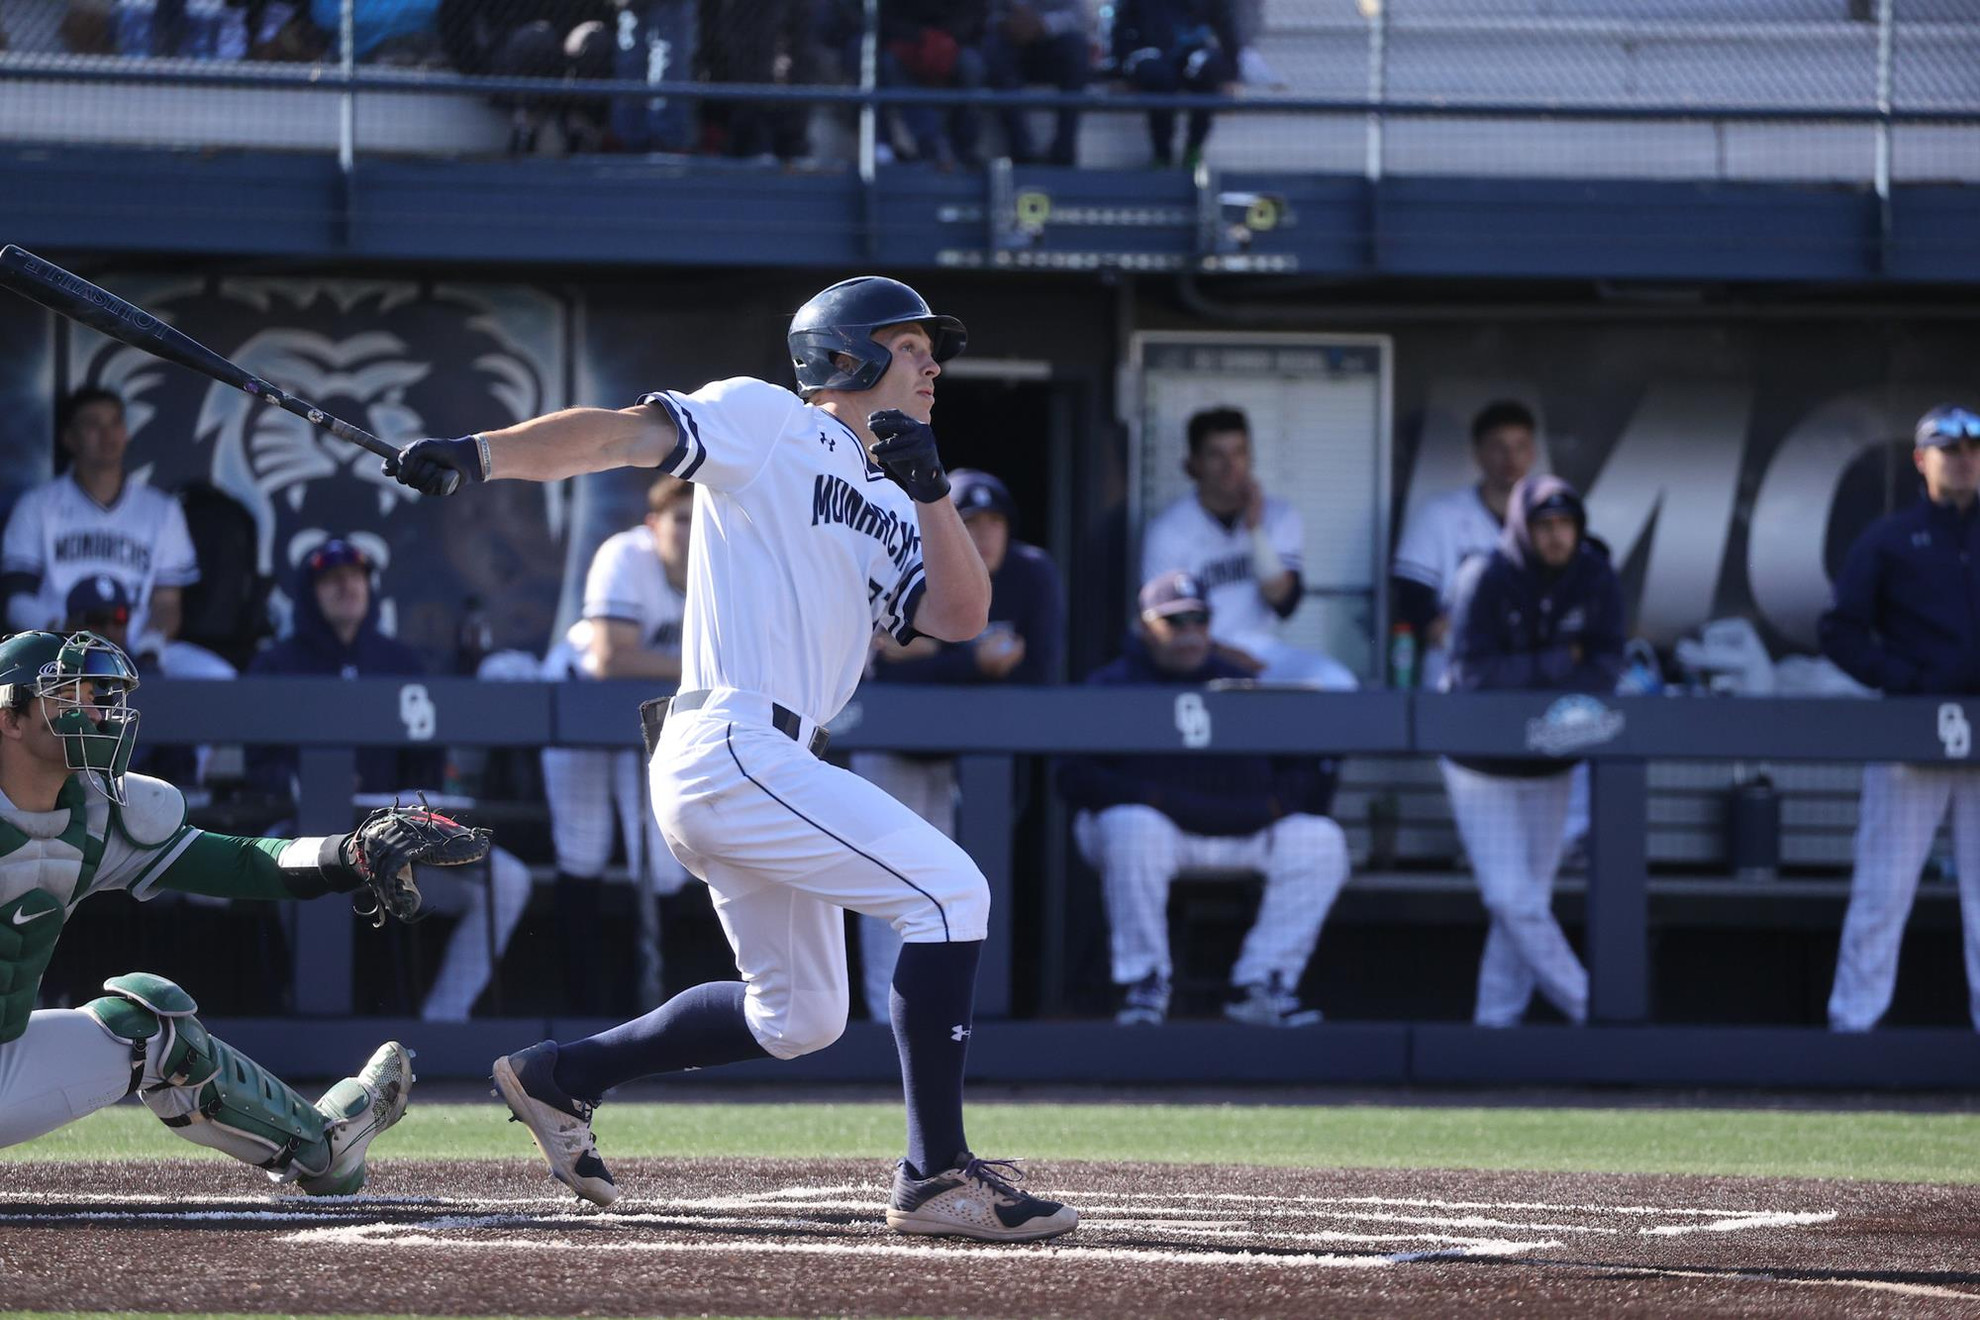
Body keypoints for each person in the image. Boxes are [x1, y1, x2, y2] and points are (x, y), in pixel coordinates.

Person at [384, 274, 1077, 1241]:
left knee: (800, 1019)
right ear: (849, 353)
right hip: (734, 737)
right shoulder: (766, 418)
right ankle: (935, 1176)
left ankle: (562, 1075)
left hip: (771, 758)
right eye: (912, 345)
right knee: (951, 894)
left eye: (931, 351)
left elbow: (962, 617)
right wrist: (479, 454)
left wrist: (929, 490)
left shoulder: (898, 484)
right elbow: (622, 435)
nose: (932, 365)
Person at [0, 628, 411, 1192]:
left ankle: (325, 1146)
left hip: (6, 1059)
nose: (94, 712)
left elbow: (242, 864)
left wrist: (352, 854)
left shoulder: (96, 817)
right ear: (10, 718)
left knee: (151, 1029)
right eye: (69, 696)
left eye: (95, 695)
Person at [248, 537, 531, 1023]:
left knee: (509, 877)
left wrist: (407, 810)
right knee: (274, 862)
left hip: (397, 843)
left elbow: (425, 763)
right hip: (306, 834)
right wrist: (311, 785)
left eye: (356, 577)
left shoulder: (399, 661)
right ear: (310, 592)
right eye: (333, 580)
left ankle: (444, 1018)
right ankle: (306, 1017)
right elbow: (257, 765)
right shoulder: (279, 662)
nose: (347, 588)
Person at [1058, 570, 1348, 1027]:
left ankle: (1263, 982)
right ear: (1143, 627)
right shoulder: (1112, 685)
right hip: (1157, 833)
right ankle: (1144, 983)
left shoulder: (1242, 683)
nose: (1190, 633)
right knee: (1132, 825)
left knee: (1319, 838)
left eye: (1200, 620)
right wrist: (1149, 796)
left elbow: (1306, 769)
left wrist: (1272, 808)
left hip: (1244, 826)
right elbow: (1073, 776)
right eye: (1175, 622)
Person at [853, 468, 1063, 1023]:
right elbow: (880, 674)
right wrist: (974, 660)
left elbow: (1040, 675)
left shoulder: (1031, 573)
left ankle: (943, 1023)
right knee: (884, 886)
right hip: (890, 750)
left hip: (970, 765)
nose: (986, 534)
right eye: (971, 522)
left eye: (995, 522)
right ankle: (882, 1018)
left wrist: (932, 656)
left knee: (954, 893)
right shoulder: (906, 561)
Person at [1440, 476, 1624, 1028]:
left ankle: (1494, 1028)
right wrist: (1556, 662)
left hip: (1551, 758)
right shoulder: (1485, 576)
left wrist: (1548, 675)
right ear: (1523, 528)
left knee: (1527, 906)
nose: (1556, 537)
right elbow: (1475, 677)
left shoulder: (1595, 575)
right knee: (1509, 898)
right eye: (1544, 526)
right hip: (1479, 763)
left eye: (1566, 524)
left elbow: (1605, 667)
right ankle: (1594, 1009)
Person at [1819, 403, 1980, 1033]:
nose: (1963, 459)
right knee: (1883, 893)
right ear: (1922, 460)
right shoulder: (1891, 537)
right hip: (1911, 734)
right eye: (1949, 449)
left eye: (1971, 449)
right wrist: (1906, 682)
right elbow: (1839, 629)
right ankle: (1853, 1031)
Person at [540, 474, 695, 1014]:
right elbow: (612, 659)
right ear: (653, 525)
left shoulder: (721, 566)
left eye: (700, 519)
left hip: (655, 717)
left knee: (665, 858)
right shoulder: (626, 555)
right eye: (678, 519)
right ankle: (582, 1010)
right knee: (582, 851)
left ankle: (647, 1011)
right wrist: (706, 668)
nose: (689, 531)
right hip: (580, 703)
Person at [1141, 405, 1354, 688]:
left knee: (1337, 681)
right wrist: (1218, 653)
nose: (1231, 467)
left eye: (1239, 453)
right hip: (1198, 656)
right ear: (1193, 465)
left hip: (1263, 651)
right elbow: (1159, 623)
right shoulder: (1167, 530)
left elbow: (1284, 603)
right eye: (1216, 455)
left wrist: (1255, 531)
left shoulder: (1278, 516)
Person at [2, 387, 201, 659]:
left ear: (126, 432)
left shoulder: (163, 510)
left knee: (217, 674)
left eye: (115, 422)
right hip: (57, 652)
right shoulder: (36, 505)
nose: (107, 435)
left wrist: (150, 647)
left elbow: (167, 602)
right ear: (69, 438)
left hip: (135, 651)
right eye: (93, 424)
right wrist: (59, 631)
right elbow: (16, 602)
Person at [1391, 399, 1539, 691]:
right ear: (1478, 453)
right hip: (1456, 667)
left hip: (1529, 668)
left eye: (1520, 446)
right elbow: (1410, 594)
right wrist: (1439, 627)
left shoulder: (1551, 520)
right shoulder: (1440, 513)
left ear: (1532, 453)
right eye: (1498, 446)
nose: (1510, 457)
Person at [1110, 0, 1239, 170]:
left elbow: (1226, 27)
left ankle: (1194, 148)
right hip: (1151, 51)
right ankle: (1162, 154)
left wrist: (1233, 73)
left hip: (1191, 54)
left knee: (1207, 68)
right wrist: (1122, 69)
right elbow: (1121, 29)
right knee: (1159, 76)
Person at [877, 0, 989, 170]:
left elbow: (974, 15)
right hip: (908, 45)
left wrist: (943, 41)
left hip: (953, 43)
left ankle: (964, 146)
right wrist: (921, 37)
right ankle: (931, 143)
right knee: (888, 65)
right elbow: (885, 19)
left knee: (971, 65)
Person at [982, 0, 1091, 166]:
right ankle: (1020, 149)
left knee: (1076, 48)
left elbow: (1079, 17)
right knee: (994, 49)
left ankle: (1064, 148)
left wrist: (1042, 25)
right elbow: (985, 14)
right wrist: (1008, 24)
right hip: (1010, 41)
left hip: (1052, 42)